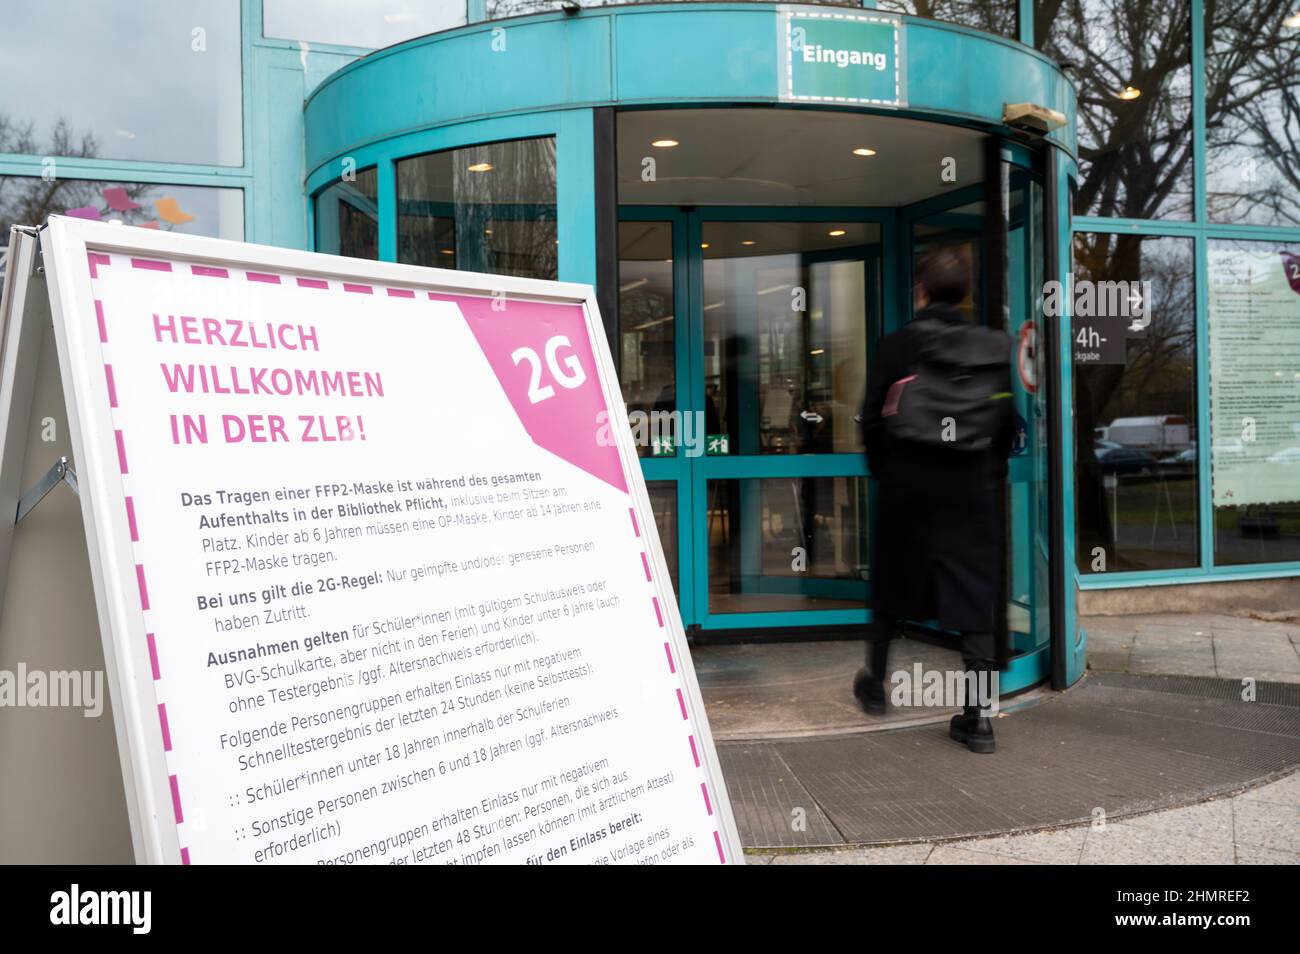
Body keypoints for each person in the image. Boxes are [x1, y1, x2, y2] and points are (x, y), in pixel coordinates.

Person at [856, 248, 1015, 754]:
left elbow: (871, 423)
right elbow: (1007, 427)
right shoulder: (993, 347)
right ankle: (979, 719)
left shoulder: (895, 345)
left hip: (908, 487)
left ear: (920, 290)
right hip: (971, 492)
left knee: (892, 580)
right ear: (964, 293)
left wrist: (890, 472)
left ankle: (876, 686)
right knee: (975, 598)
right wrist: (985, 476)